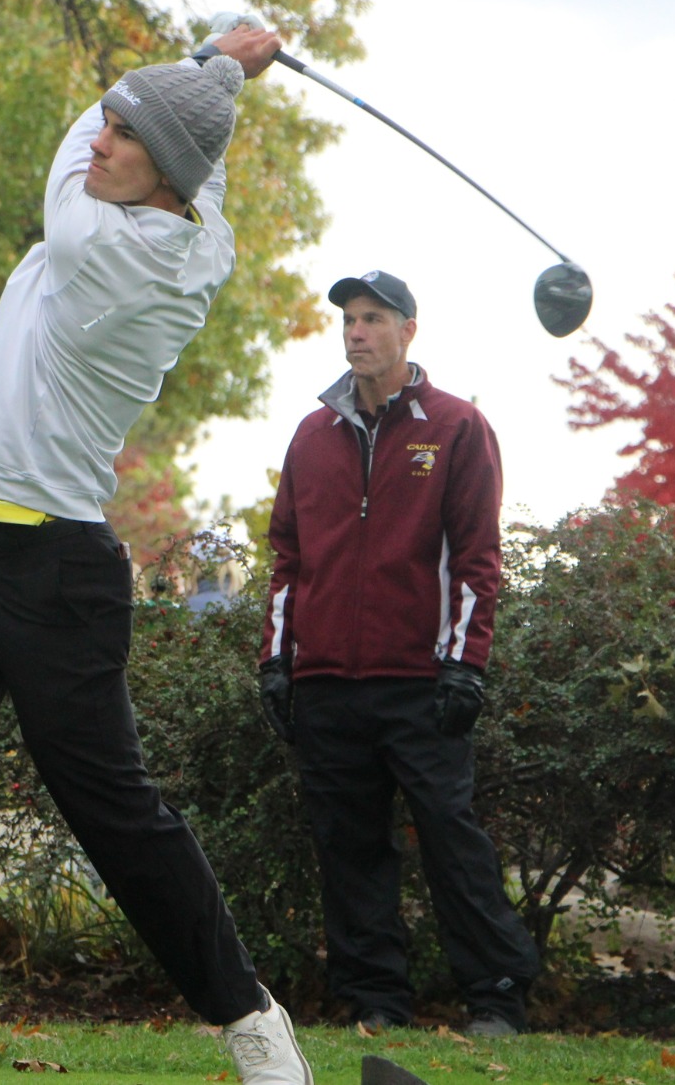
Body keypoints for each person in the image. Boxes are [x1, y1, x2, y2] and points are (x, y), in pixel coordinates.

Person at [0, 22, 315, 1085]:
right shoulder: (195, 211)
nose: (99, 139)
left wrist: (213, 58)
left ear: (158, 179)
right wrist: (221, 71)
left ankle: (248, 1017)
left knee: (114, 815)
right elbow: (190, 141)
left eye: (123, 136)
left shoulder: (103, 245)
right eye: (108, 123)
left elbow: (70, 139)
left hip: (57, 578)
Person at [256, 270, 540, 1038]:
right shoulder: (312, 435)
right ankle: (377, 997)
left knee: (451, 837)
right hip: (324, 683)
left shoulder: (455, 427)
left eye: (373, 318)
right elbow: (287, 556)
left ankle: (497, 993)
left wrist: (464, 665)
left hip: (422, 681)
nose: (356, 332)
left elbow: (477, 560)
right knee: (348, 847)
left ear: (408, 330)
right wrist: (277, 660)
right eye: (348, 319)